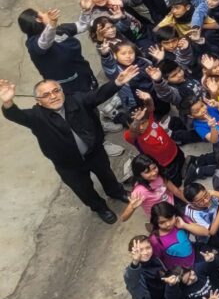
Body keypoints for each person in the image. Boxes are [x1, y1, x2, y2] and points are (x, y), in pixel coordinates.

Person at [1, 68, 137, 223]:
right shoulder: (36, 117)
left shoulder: (77, 100)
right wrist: (8, 102)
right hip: (68, 165)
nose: (53, 96)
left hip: (94, 153)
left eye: (56, 91)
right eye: (46, 95)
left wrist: (117, 82)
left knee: (107, 174)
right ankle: (100, 208)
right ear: (38, 101)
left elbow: (97, 95)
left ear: (62, 91)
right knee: (84, 190)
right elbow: (16, 115)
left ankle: (116, 192)